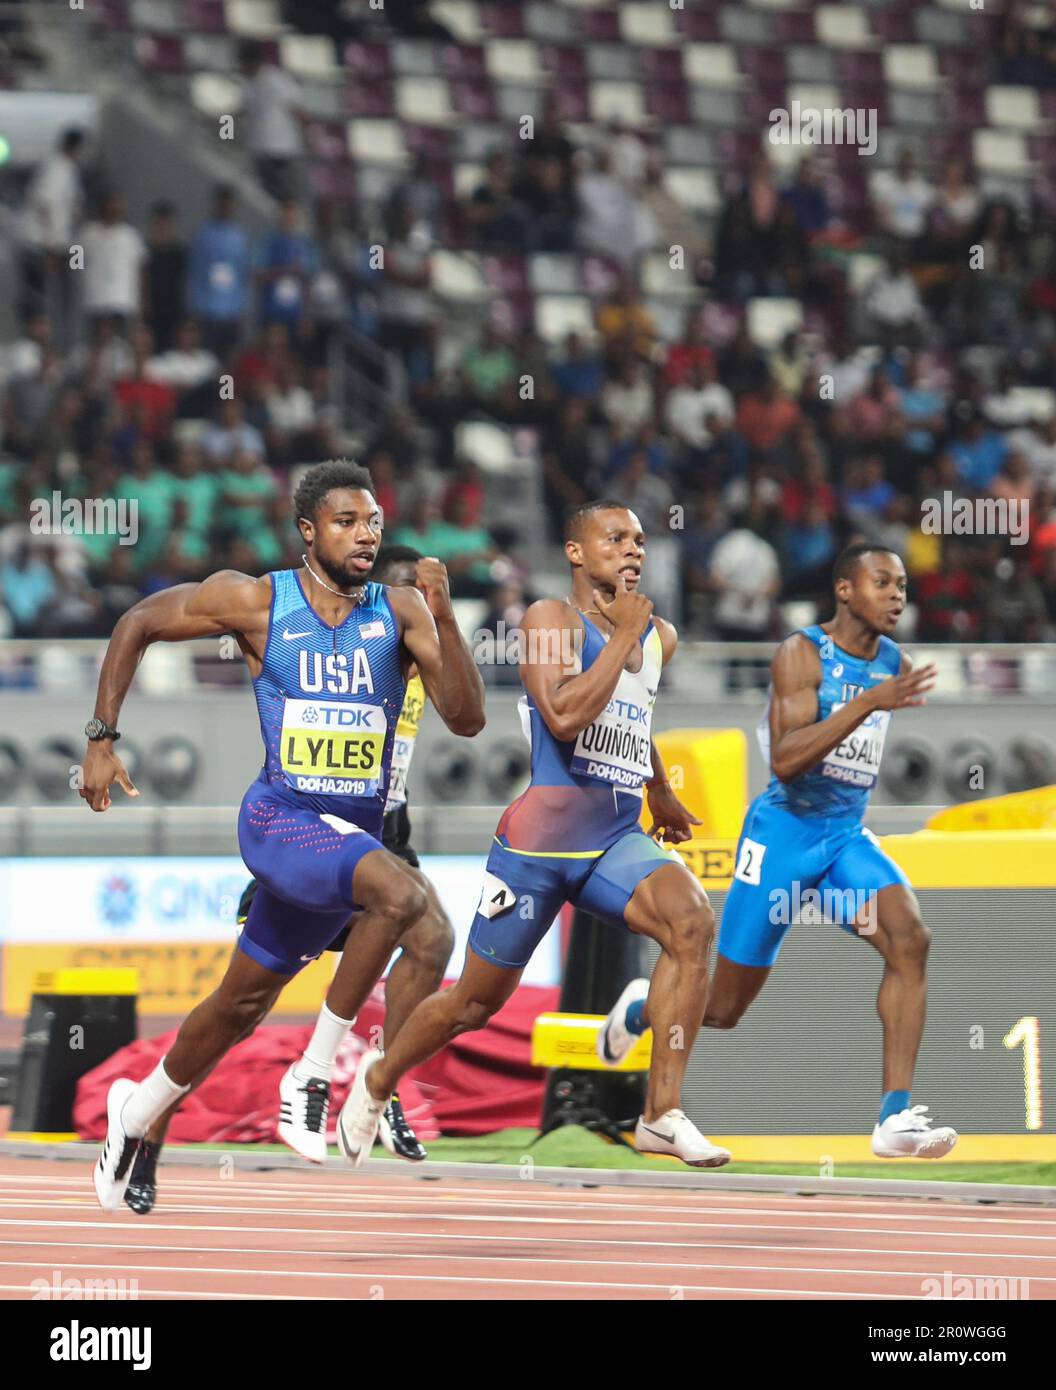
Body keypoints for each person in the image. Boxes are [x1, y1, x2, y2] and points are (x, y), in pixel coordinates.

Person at [83, 460, 486, 1211]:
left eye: (373, 523)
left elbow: (467, 719)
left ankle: (133, 1114)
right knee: (403, 900)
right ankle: (314, 1072)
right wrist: (103, 737)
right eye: (346, 522)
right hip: (280, 822)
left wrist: (447, 619)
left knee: (240, 1004)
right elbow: (136, 622)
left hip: (348, 838)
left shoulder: (399, 613)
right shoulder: (258, 600)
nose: (365, 535)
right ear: (308, 530)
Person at [336, 500, 729, 1169]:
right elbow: (564, 714)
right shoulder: (550, 620)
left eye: (638, 540)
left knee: (691, 921)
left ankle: (661, 1113)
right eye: (614, 539)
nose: (632, 550)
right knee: (471, 1003)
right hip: (538, 846)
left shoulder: (658, 633)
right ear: (576, 553)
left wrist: (657, 782)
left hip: (613, 835)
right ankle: (377, 1080)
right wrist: (627, 639)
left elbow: (632, 715)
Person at [668, 543, 957, 1158]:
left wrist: (874, 700)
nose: (899, 595)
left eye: (903, 585)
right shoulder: (801, 654)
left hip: (843, 840)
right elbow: (787, 760)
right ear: (846, 590)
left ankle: (893, 1119)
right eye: (884, 582)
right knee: (721, 1010)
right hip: (782, 840)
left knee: (911, 939)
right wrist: (864, 704)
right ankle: (640, 1011)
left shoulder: (893, 660)